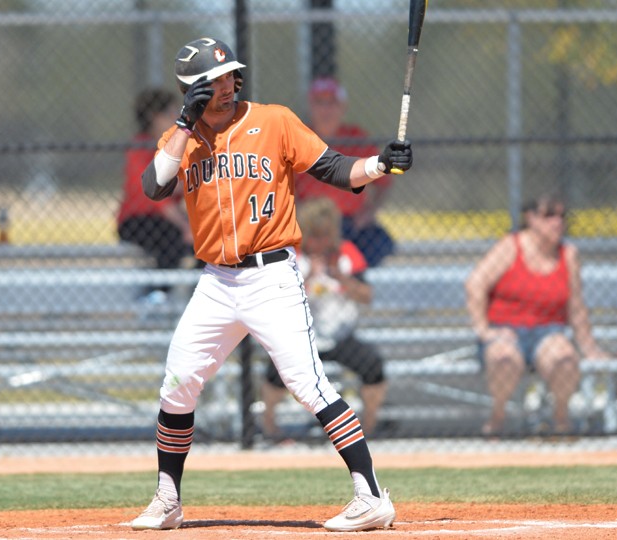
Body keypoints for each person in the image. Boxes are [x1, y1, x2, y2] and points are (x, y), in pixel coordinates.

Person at [130, 37, 411, 532]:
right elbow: (155, 186)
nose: (228, 84)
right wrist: (181, 123)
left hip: (272, 276)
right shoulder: (185, 139)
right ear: (192, 88)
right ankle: (167, 499)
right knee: (176, 386)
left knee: (309, 384)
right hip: (216, 281)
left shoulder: (274, 120)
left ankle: (370, 496)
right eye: (215, 79)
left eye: (231, 75)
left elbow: (335, 169)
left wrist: (379, 165)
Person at [464, 192, 606, 436]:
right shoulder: (511, 246)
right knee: (504, 357)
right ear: (531, 218)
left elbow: (576, 306)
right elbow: (475, 283)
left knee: (565, 358)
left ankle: (560, 419)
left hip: (547, 332)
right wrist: (484, 330)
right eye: (549, 215)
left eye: (561, 216)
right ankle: (497, 418)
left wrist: (590, 348)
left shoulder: (568, 254)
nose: (557, 222)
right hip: (506, 329)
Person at [261, 197, 387, 439]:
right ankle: (270, 428)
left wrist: (341, 278)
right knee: (274, 370)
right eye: (315, 236)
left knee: (373, 366)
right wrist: (307, 278)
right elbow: (277, 299)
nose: (321, 243)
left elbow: (367, 296)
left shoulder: (346, 255)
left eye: (326, 236)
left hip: (340, 337)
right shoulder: (291, 257)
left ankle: (367, 429)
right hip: (302, 338)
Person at [295, 77, 397, 267]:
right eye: (319, 103)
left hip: (350, 224)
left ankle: (353, 278)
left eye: (331, 103)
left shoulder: (357, 138)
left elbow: (384, 183)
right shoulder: (299, 137)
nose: (326, 110)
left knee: (382, 243)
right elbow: (285, 186)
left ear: (342, 107)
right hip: (310, 224)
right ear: (310, 107)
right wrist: (298, 213)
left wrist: (368, 213)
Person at [116, 88, 194, 302]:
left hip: (166, 219)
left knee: (204, 242)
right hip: (138, 221)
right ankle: (155, 296)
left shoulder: (174, 146)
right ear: (153, 117)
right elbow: (159, 198)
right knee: (173, 238)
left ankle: (189, 294)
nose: (175, 118)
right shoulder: (141, 147)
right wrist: (186, 227)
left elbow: (184, 183)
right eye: (169, 113)